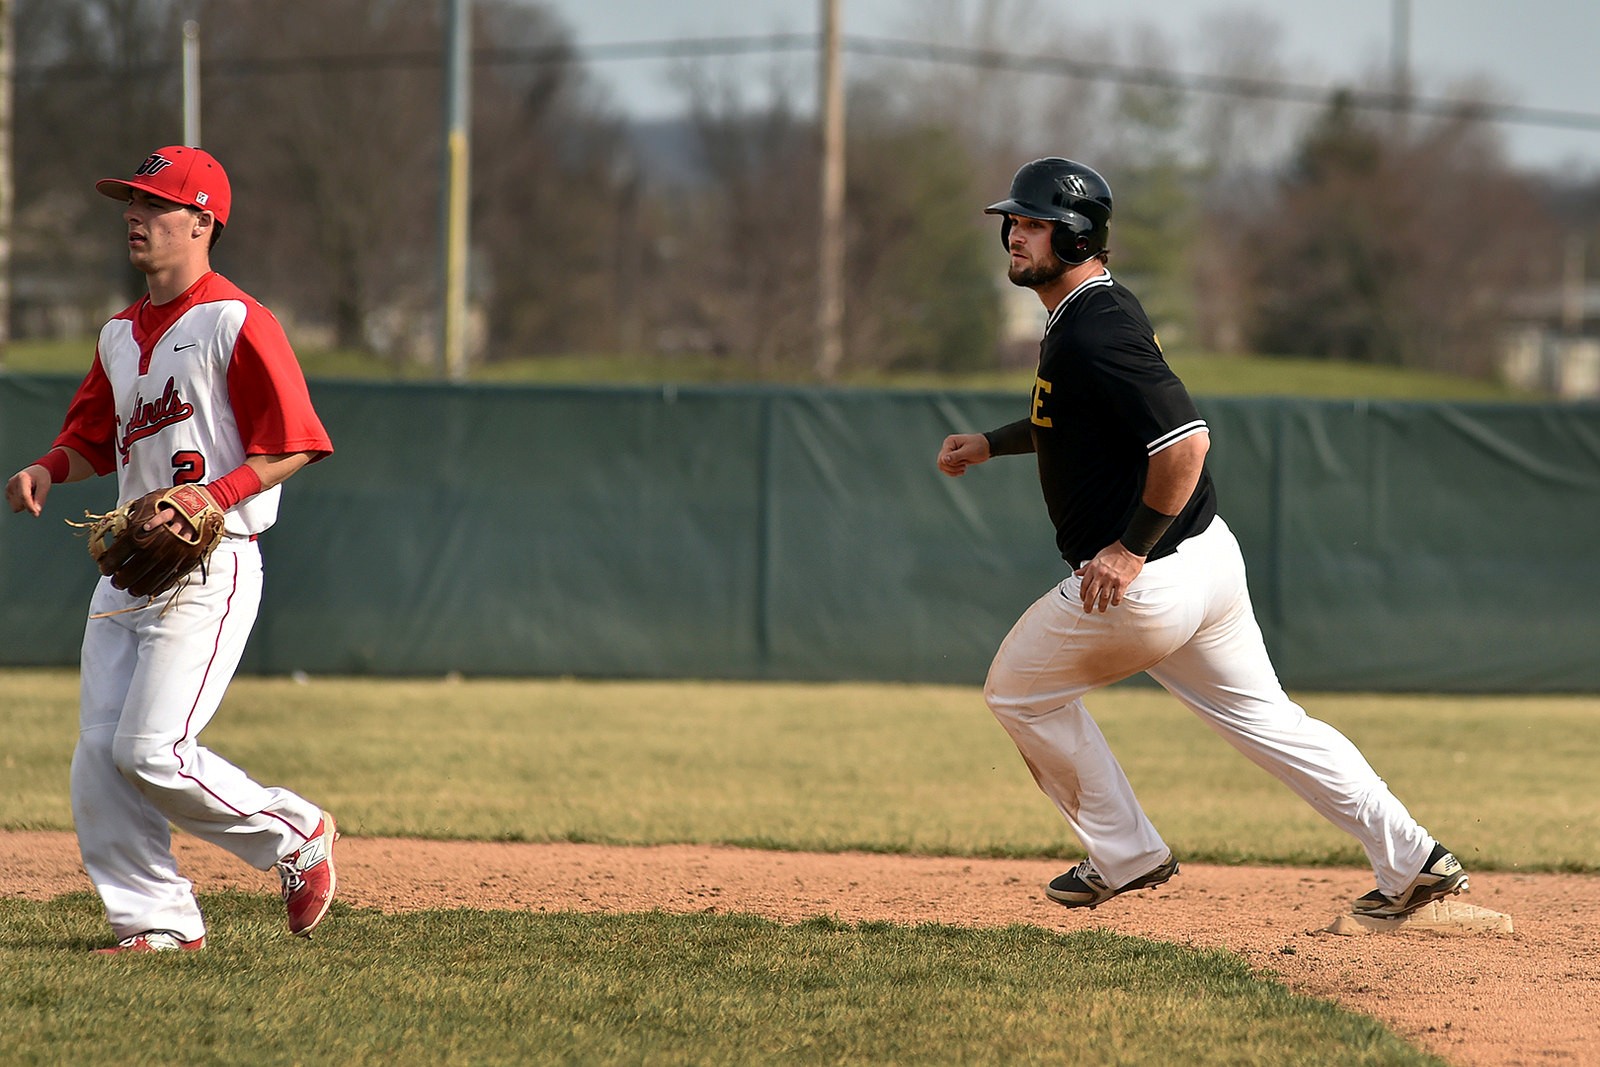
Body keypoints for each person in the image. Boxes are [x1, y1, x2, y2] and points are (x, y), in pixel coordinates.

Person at [936, 157, 1467, 918]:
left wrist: (1128, 548)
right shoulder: (1089, 314)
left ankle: (1126, 853)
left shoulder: (1098, 329)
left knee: (1017, 692)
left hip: (1143, 577)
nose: (1013, 234)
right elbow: (1079, 423)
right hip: (1205, 561)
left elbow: (1185, 444)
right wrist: (992, 442)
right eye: (1012, 222)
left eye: (1031, 222)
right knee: (1273, 723)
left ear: (1077, 234)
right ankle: (1415, 860)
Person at [5, 145, 339, 953]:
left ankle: (292, 832)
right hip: (130, 566)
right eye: (132, 202)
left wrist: (211, 496)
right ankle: (154, 919)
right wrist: (51, 465)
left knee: (151, 750)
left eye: (154, 205)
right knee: (98, 759)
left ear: (202, 221)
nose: (135, 215)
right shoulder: (120, 332)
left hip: (211, 566)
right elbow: (92, 433)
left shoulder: (234, 319)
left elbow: (297, 441)